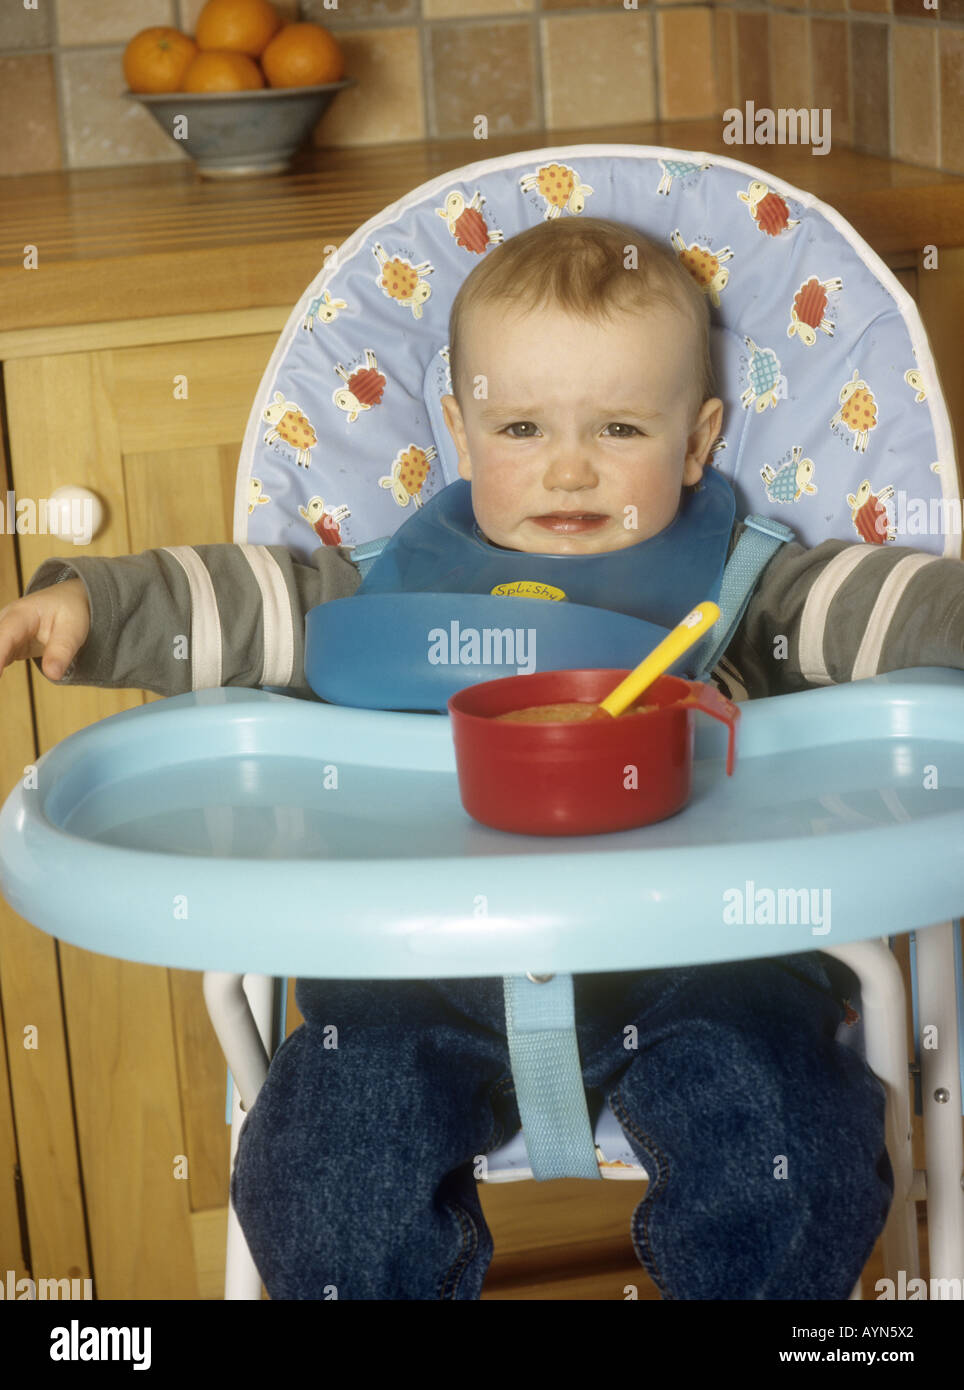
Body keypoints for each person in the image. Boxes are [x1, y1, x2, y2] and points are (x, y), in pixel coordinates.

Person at [2, 218, 961, 1300]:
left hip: (710, 961)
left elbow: (887, 611)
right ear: (458, 434)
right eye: (519, 426)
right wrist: (92, 606)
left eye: (618, 427)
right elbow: (235, 601)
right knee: (321, 1165)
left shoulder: (741, 591)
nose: (567, 466)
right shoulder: (392, 590)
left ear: (695, 444)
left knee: (792, 1148)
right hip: (415, 969)